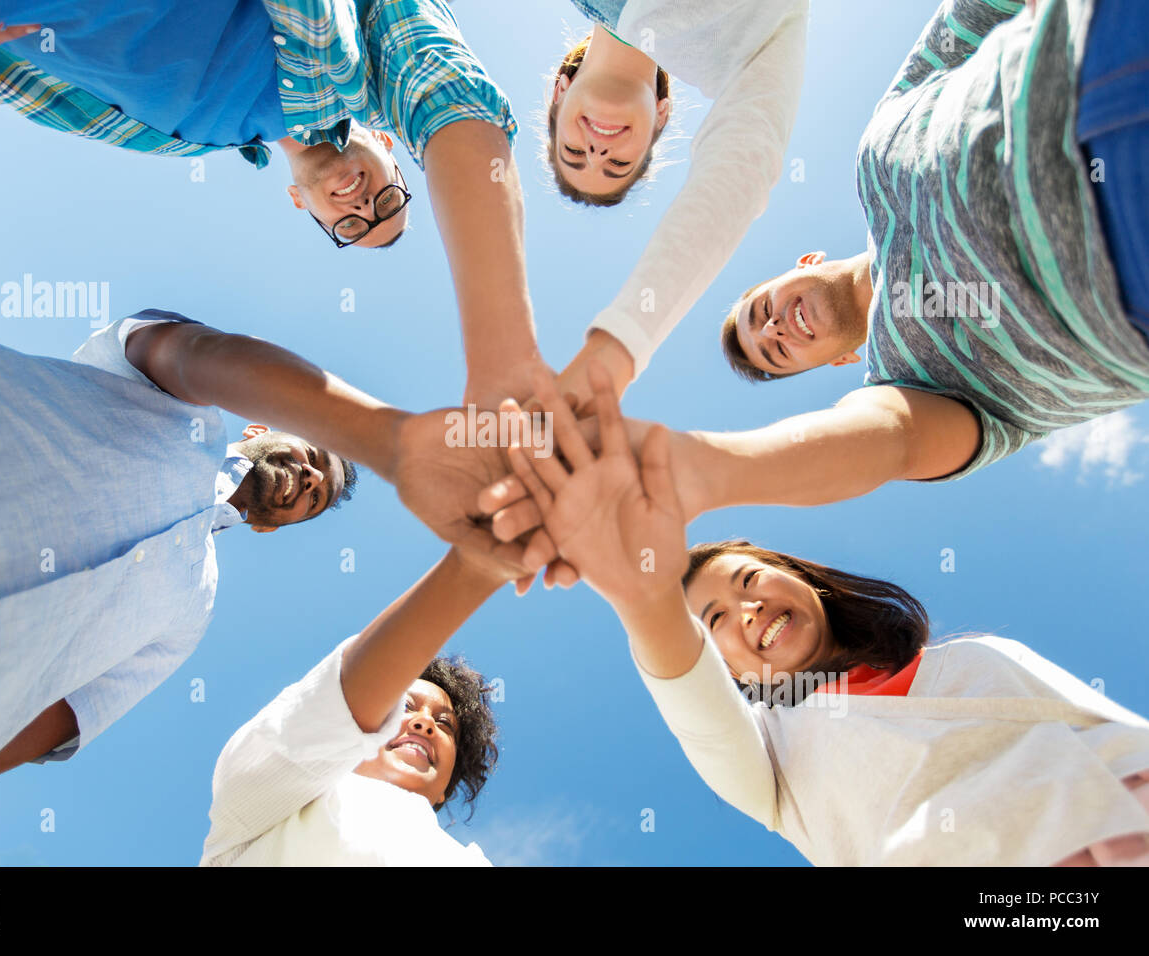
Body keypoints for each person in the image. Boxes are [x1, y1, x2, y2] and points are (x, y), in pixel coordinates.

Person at [0, 300, 538, 850]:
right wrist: (385, 440)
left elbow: (59, 720)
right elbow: (197, 353)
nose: (305, 478)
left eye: (315, 496)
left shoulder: (191, 608)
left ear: (274, 528)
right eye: (309, 454)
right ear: (257, 427)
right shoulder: (178, 402)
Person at [487, 0, 1149, 557]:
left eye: (759, 313)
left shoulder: (876, 153)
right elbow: (890, 442)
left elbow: (978, 12)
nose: (775, 327)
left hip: (1100, 46)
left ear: (798, 265)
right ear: (843, 362)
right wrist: (693, 473)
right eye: (777, 350)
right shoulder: (904, 383)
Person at [497, 364, 1149, 865]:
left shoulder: (976, 656)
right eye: (717, 621)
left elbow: (1113, 732)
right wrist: (638, 584)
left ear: (803, 579)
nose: (748, 608)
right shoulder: (771, 756)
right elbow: (688, 692)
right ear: (723, 668)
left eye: (751, 580)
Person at [0, 0, 543, 405]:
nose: (360, 202)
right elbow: (440, 85)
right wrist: (504, 361)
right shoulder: (352, 58)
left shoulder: (167, 138)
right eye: (388, 198)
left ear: (304, 208)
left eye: (352, 226)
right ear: (391, 147)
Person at [547, 0, 810, 412]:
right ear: (661, 119)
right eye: (618, 164)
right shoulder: (748, 47)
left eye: (575, 152)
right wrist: (621, 343)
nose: (598, 151)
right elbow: (741, 165)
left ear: (560, 93)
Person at [200, 546, 508, 866]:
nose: (425, 723)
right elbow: (332, 707)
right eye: (403, 706)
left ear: (445, 790)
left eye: (445, 725)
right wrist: (472, 565)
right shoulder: (269, 802)